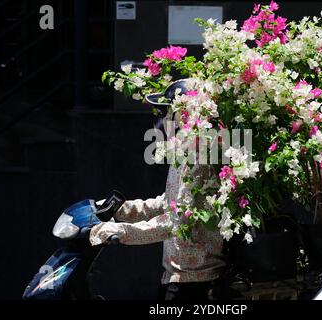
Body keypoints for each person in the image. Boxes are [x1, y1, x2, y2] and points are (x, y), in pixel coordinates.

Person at [89, 80, 227, 301]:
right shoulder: (186, 153)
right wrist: (122, 210)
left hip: (195, 280)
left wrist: (122, 232)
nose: (162, 118)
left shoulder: (200, 158)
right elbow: (170, 201)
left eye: (166, 110)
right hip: (179, 275)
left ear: (183, 113)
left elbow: (177, 220)